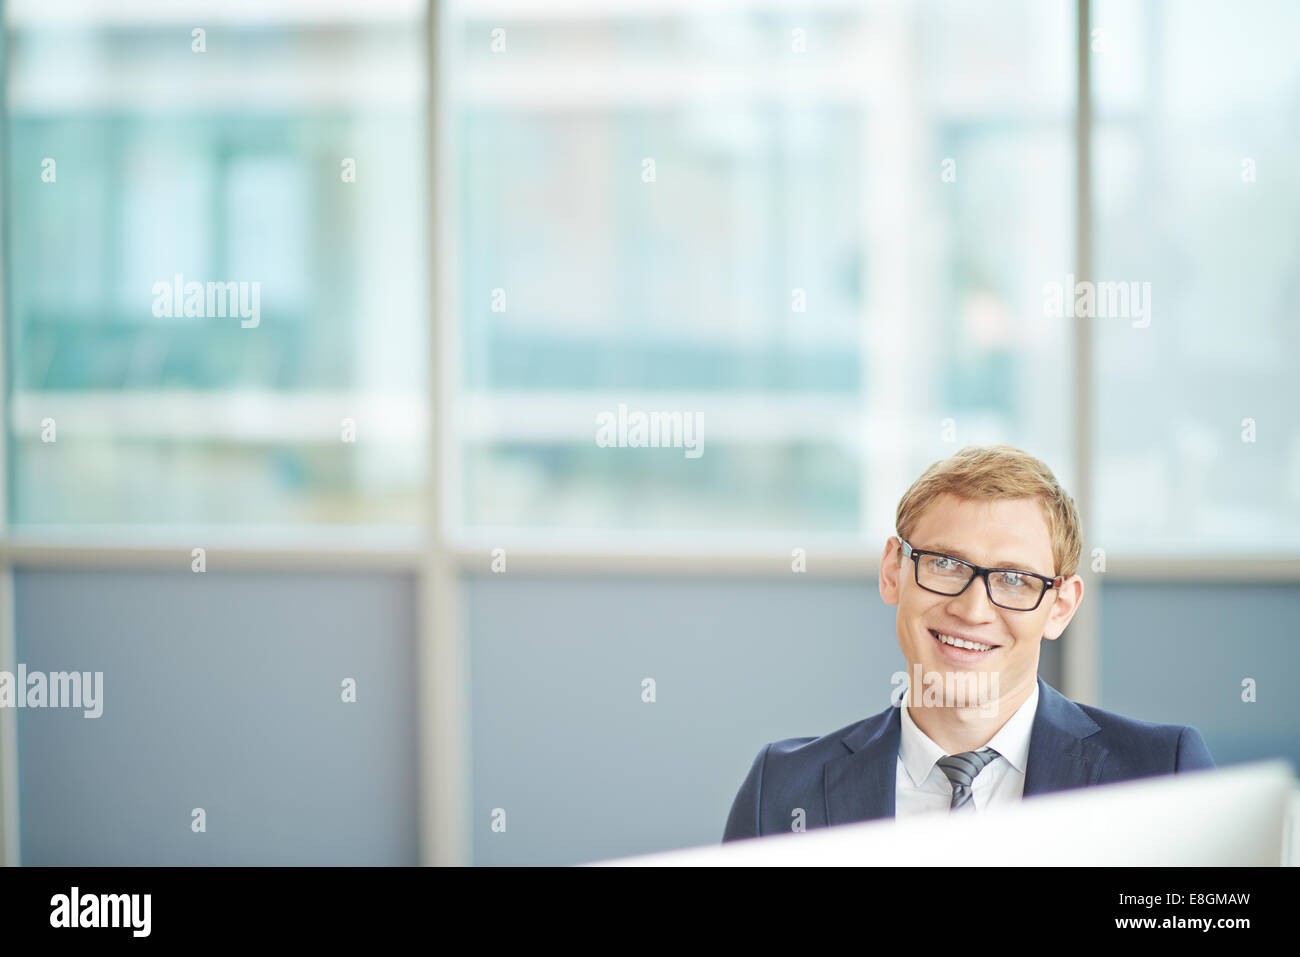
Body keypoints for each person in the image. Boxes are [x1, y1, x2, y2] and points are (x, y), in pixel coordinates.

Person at [723, 444, 1214, 841]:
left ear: (1060, 607)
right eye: (945, 564)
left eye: (1015, 579)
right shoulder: (783, 789)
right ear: (893, 571)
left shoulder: (1160, 775)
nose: (972, 609)